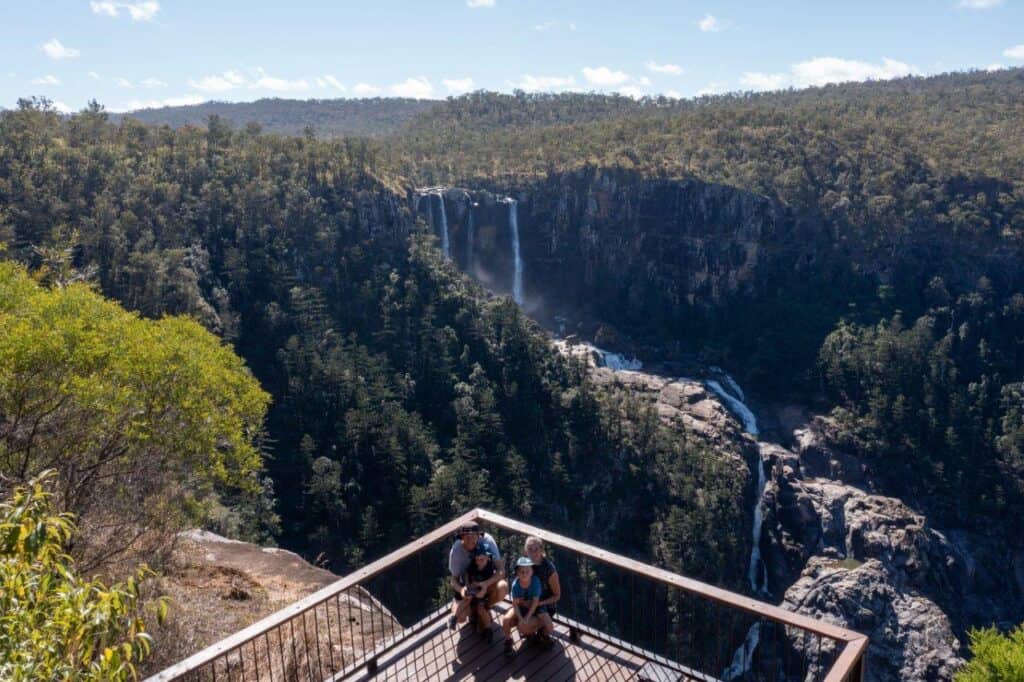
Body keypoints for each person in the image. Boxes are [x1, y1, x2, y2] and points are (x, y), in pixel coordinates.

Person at [447, 523, 507, 633]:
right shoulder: (456, 551)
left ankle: (485, 607)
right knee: (461, 618)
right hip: (467, 588)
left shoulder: (487, 541)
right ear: (461, 538)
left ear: (479, 536)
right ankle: (471, 612)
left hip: (485, 584)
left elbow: (501, 571)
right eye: (467, 537)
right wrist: (462, 590)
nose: (470, 540)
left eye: (474, 536)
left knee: (503, 586)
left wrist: (486, 584)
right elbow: (453, 579)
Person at [502, 557, 542, 660]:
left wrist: (527, 617)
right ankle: (508, 642)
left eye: (527, 571)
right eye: (521, 571)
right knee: (506, 620)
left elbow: (535, 602)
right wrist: (520, 618)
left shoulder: (535, 582)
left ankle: (535, 631)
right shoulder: (516, 585)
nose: (524, 574)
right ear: (517, 573)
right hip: (520, 608)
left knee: (522, 627)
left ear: (532, 571)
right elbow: (515, 604)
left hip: (533, 612)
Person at [524, 536, 560, 642]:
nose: (533, 552)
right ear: (526, 551)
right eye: (530, 549)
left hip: (544, 606)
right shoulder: (525, 564)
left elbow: (557, 595)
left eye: (536, 549)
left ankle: (542, 634)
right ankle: (534, 632)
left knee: (525, 626)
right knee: (515, 622)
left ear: (541, 550)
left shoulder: (549, 569)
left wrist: (539, 604)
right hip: (528, 603)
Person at [464, 546, 498, 633]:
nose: (479, 562)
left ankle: (488, 630)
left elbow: (493, 578)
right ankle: (459, 617)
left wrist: (483, 587)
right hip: (474, 591)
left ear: (487, 558)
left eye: (482, 559)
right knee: (469, 603)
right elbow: (467, 574)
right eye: (477, 559)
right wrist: (468, 585)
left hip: (484, 594)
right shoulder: (473, 566)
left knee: (481, 609)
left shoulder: (490, 567)